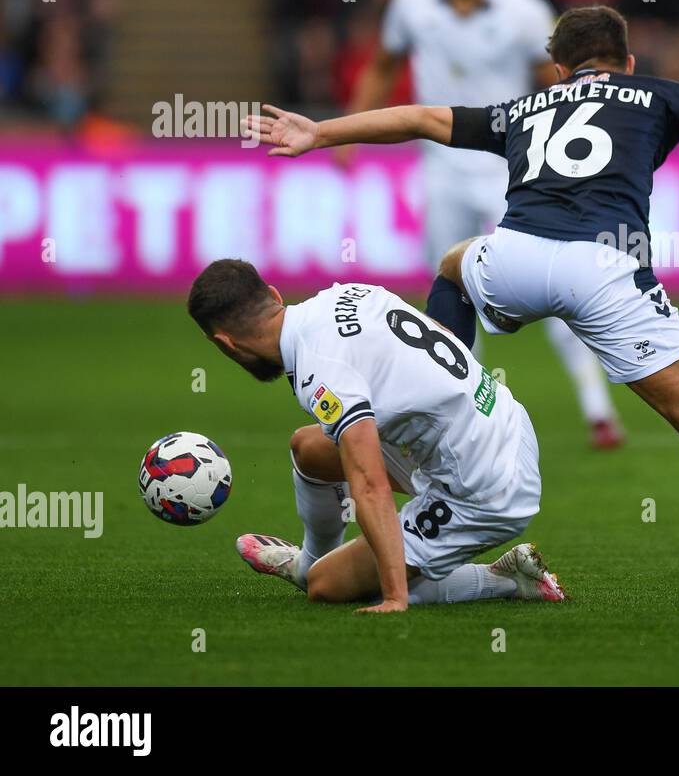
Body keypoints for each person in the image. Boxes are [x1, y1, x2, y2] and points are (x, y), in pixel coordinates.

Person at [245, 4, 679, 591]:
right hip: (604, 265)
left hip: (516, 253)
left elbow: (421, 117)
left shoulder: (528, 107)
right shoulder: (659, 93)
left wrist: (322, 133)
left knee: (453, 266)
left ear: (558, 71)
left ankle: (449, 423)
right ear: (628, 61)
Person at [345, 0, 624, 449]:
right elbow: (382, 64)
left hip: (510, 168)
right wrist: (353, 127)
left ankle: (597, 407)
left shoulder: (525, 11)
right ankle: (467, 413)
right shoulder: (412, 3)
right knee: (450, 291)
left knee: (554, 283)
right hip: (442, 166)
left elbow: (559, 85)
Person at [187, 259, 565, 613]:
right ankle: (309, 562)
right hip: (506, 421)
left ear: (225, 343)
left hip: (485, 489)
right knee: (308, 448)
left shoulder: (320, 371)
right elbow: (443, 333)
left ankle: (506, 580)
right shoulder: (346, 293)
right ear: (274, 295)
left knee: (326, 587)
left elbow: (369, 484)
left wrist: (394, 595)